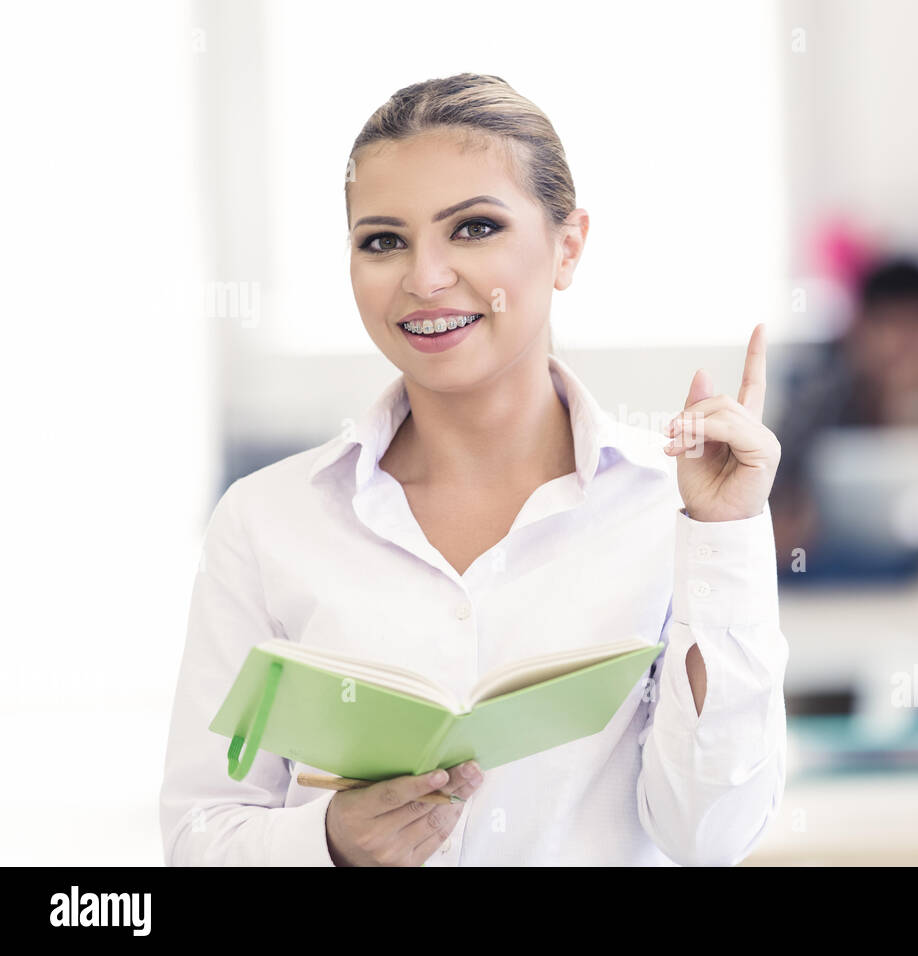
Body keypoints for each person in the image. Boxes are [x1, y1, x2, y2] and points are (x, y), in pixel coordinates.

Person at [158, 73, 789, 867]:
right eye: (382, 240)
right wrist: (328, 842)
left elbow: (710, 836)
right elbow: (198, 836)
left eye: (474, 228)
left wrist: (723, 540)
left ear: (568, 247)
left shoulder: (670, 511)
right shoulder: (267, 521)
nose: (424, 277)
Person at [769, 257, 918, 570]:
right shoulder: (817, 405)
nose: (907, 346)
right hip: (842, 596)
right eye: (892, 324)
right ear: (858, 333)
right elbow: (771, 512)